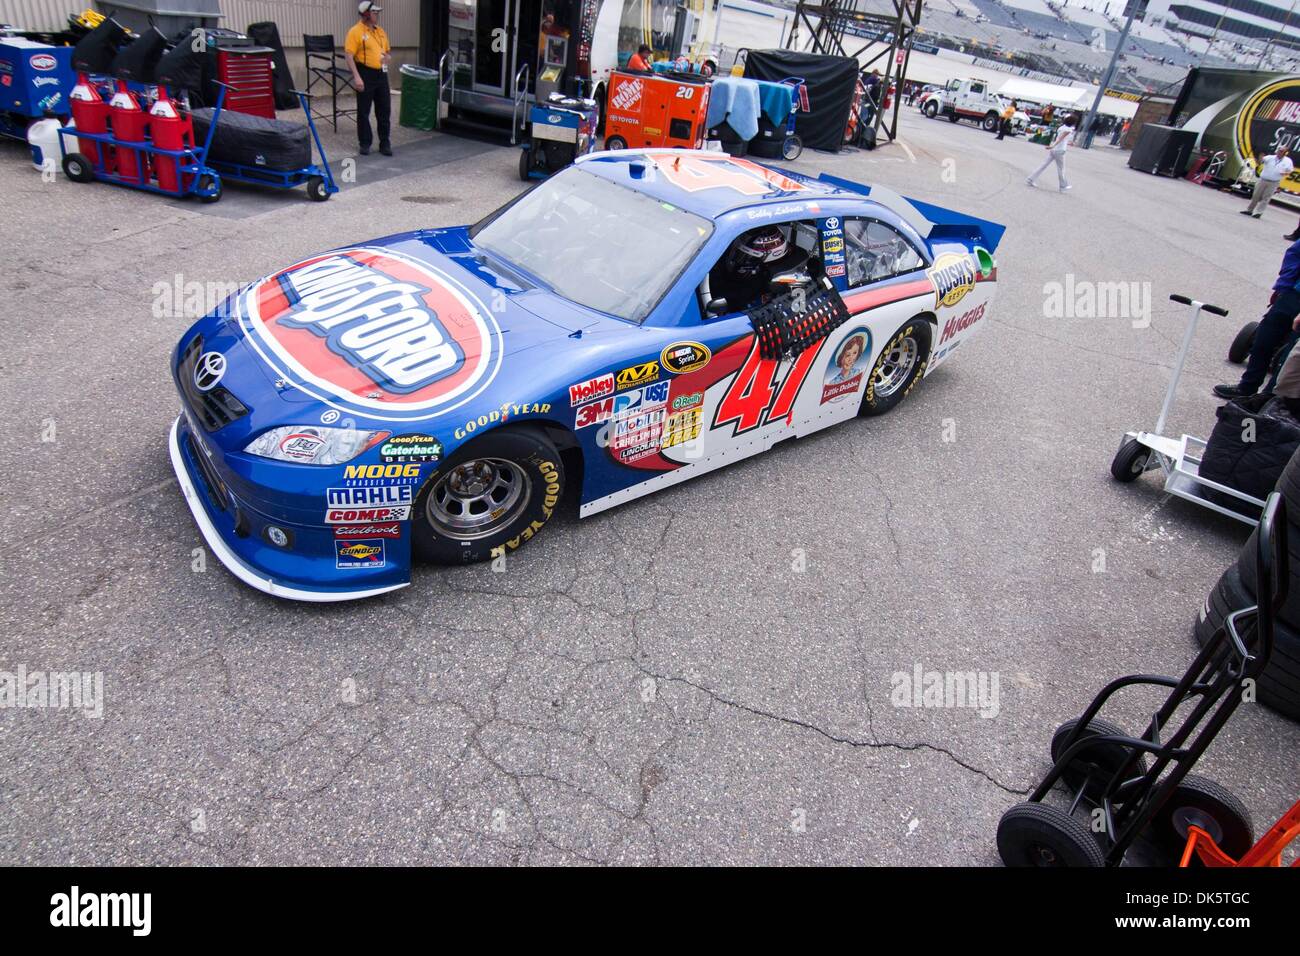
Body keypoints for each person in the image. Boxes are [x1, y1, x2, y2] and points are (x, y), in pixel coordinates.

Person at [1214, 237, 1300, 399]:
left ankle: (1268, 398)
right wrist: (1284, 286)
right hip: (1293, 295)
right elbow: (1294, 254)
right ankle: (1246, 387)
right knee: (1263, 340)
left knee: (1291, 356)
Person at [345, 1, 392, 156]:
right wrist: (357, 77)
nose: (376, 15)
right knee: (364, 110)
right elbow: (349, 55)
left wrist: (387, 58)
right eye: (374, 13)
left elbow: (387, 51)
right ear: (365, 14)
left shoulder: (381, 32)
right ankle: (365, 142)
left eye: (377, 13)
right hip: (365, 73)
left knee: (384, 109)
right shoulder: (355, 31)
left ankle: (385, 142)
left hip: (381, 74)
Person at [1026, 114, 1076, 192]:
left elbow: (1060, 139)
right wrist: (1052, 146)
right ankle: (1063, 185)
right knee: (1061, 169)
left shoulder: (1061, 127)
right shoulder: (1069, 130)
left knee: (1044, 165)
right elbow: (1060, 139)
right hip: (1060, 150)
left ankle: (1030, 179)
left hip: (1055, 149)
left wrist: (1055, 145)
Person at [1243, 147, 1293, 218]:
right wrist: (1260, 157)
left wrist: (1285, 173)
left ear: (1285, 153)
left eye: (1282, 151)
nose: (1279, 152)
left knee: (1266, 198)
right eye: (1279, 151)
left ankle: (1258, 213)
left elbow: (1290, 171)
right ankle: (1249, 210)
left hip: (1274, 182)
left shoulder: (1288, 161)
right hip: (1263, 179)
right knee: (1256, 195)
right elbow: (1261, 161)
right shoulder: (1270, 157)